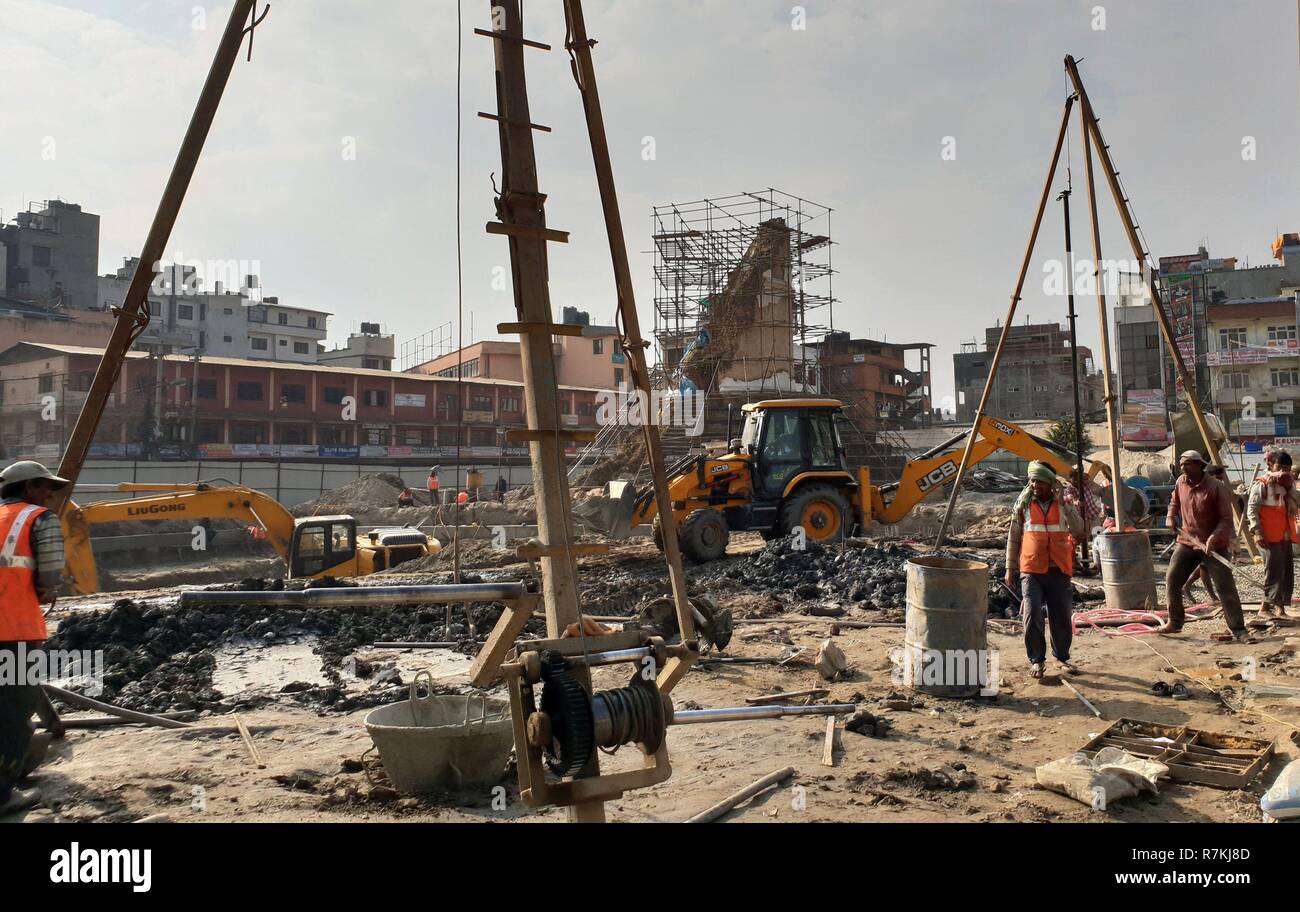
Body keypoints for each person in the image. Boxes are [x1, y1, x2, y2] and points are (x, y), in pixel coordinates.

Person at [0, 461, 69, 815]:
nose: (50, 496)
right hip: (14, 631)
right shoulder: (38, 518)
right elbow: (51, 571)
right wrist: (45, 589)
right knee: (13, 711)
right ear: (28, 487)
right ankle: (2, 794)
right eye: (45, 488)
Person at [1005, 461, 1086, 679]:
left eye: (1039, 481)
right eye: (1032, 480)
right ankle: (1037, 660)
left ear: (1051, 483)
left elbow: (1080, 531)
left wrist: (1064, 506)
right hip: (1031, 569)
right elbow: (1013, 538)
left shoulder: (1063, 505)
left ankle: (1061, 658)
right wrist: (1009, 568)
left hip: (1059, 569)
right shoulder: (1022, 506)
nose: (1034, 485)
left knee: (1060, 617)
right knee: (1031, 616)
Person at [1160, 451, 1250, 642]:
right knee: (1172, 579)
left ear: (1200, 465)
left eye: (1188, 464)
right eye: (1181, 464)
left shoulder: (1216, 487)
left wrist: (1214, 538)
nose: (1183, 468)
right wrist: (1170, 517)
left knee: (1225, 586)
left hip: (1213, 546)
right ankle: (1175, 623)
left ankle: (1239, 629)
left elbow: (1226, 519)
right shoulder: (1180, 483)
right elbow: (1173, 503)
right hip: (1187, 542)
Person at [1247, 450, 1299, 626]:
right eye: (1280, 467)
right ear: (1270, 466)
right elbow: (1252, 510)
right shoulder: (1261, 485)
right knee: (1273, 571)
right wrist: (1257, 532)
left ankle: (1280, 608)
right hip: (1267, 536)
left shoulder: (1288, 488)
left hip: (1283, 536)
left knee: (1285, 573)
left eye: (1287, 468)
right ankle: (1265, 608)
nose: (1284, 472)